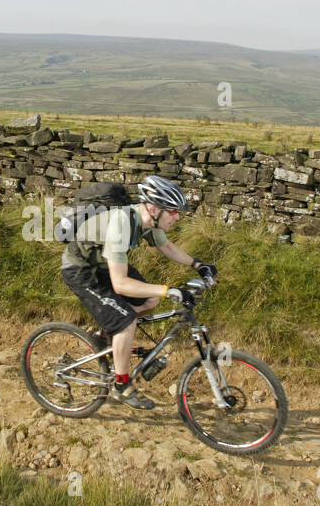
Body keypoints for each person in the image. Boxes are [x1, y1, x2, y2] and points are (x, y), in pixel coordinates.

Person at [60, 175, 217, 409]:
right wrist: (169, 290)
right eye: (173, 212)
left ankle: (107, 336)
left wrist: (198, 264)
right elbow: (121, 284)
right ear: (153, 208)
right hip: (82, 270)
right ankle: (121, 385)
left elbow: (166, 246)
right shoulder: (122, 224)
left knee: (150, 298)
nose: (177, 217)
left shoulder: (147, 221)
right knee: (126, 321)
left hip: (105, 263)